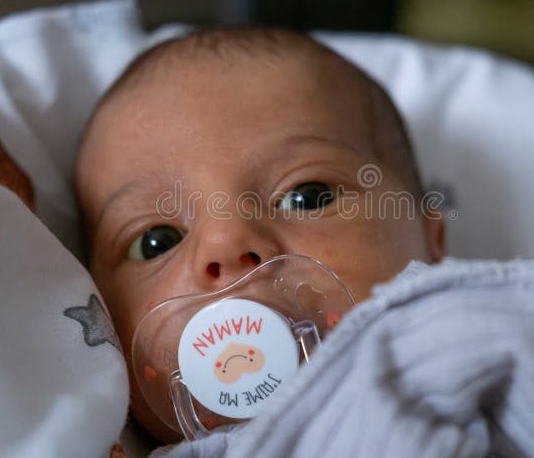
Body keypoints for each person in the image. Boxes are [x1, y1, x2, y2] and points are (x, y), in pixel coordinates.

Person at [74, 26, 446, 442]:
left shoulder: (494, 351)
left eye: (306, 196)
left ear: (434, 241)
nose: (225, 244)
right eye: (156, 241)